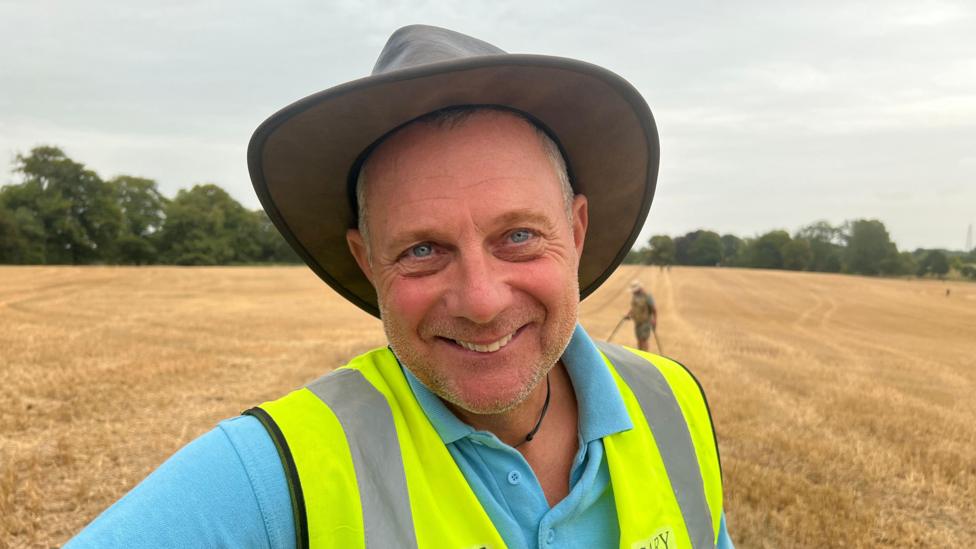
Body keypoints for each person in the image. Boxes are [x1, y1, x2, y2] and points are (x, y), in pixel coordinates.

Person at [69, 25, 733, 548]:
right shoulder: (281, 471)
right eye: (422, 249)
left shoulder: (675, 406)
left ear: (577, 229)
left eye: (519, 236)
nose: (481, 300)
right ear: (367, 262)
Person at [627, 280, 657, 352]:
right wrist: (628, 314)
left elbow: (654, 309)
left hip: (645, 322)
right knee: (639, 340)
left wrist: (654, 320)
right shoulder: (635, 296)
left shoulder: (647, 296)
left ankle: (645, 355)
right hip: (637, 322)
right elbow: (634, 308)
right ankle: (640, 355)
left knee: (644, 340)